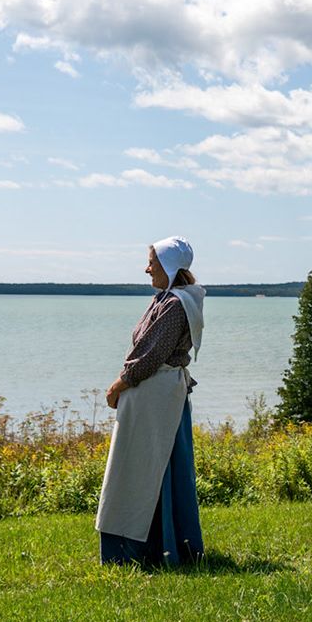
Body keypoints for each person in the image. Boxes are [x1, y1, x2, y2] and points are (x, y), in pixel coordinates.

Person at [95, 236, 206, 568]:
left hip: (156, 399)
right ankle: (164, 546)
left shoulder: (174, 304)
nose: (147, 269)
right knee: (152, 469)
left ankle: (151, 551)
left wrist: (119, 384)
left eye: (152, 264)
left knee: (145, 470)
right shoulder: (169, 299)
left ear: (169, 267)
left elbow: (150, 354)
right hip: (156, 397)